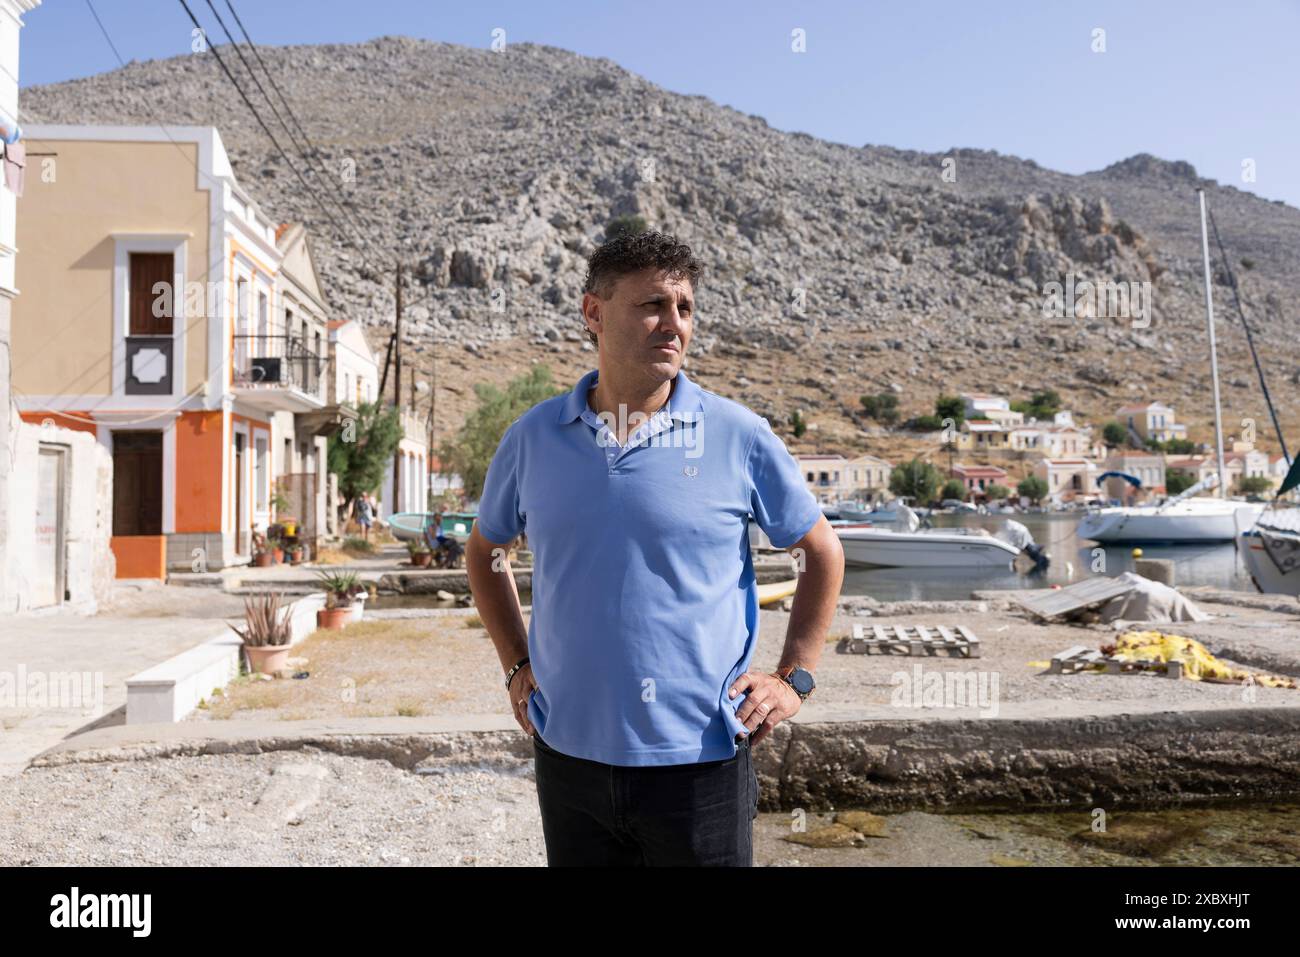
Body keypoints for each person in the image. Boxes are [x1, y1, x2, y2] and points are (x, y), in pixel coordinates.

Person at [467, 230, 844, 866]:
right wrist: (515, 665)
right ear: (594, 313)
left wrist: (793, 679)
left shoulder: (738, 435)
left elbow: (823, 553)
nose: (674, 324)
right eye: (653, 305)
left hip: (701, 764)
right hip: (567, 759)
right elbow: (485, 552)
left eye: (685, 308)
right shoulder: (532, 438)